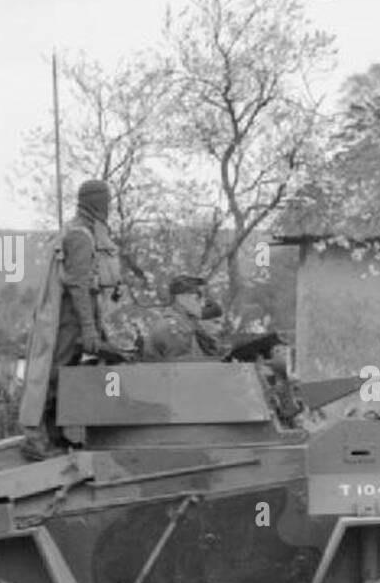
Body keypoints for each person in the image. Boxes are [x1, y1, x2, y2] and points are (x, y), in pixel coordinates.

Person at [19, 178, 122, 458]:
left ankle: (55, 435)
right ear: (94, 202)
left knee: (68, 375)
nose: (109, 206)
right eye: (105, 200)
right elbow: (78, 285)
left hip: (76, 315)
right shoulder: (80, 235)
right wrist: (88, 328)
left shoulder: (86, 231)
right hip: (69, 318)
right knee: (54, 374)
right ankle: (37, 440)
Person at [137, 275, 225, 361]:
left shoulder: (187, 322)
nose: (203, 304)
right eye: (198, 298)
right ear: (182, 299)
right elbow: (183, 371)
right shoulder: (174, 328)